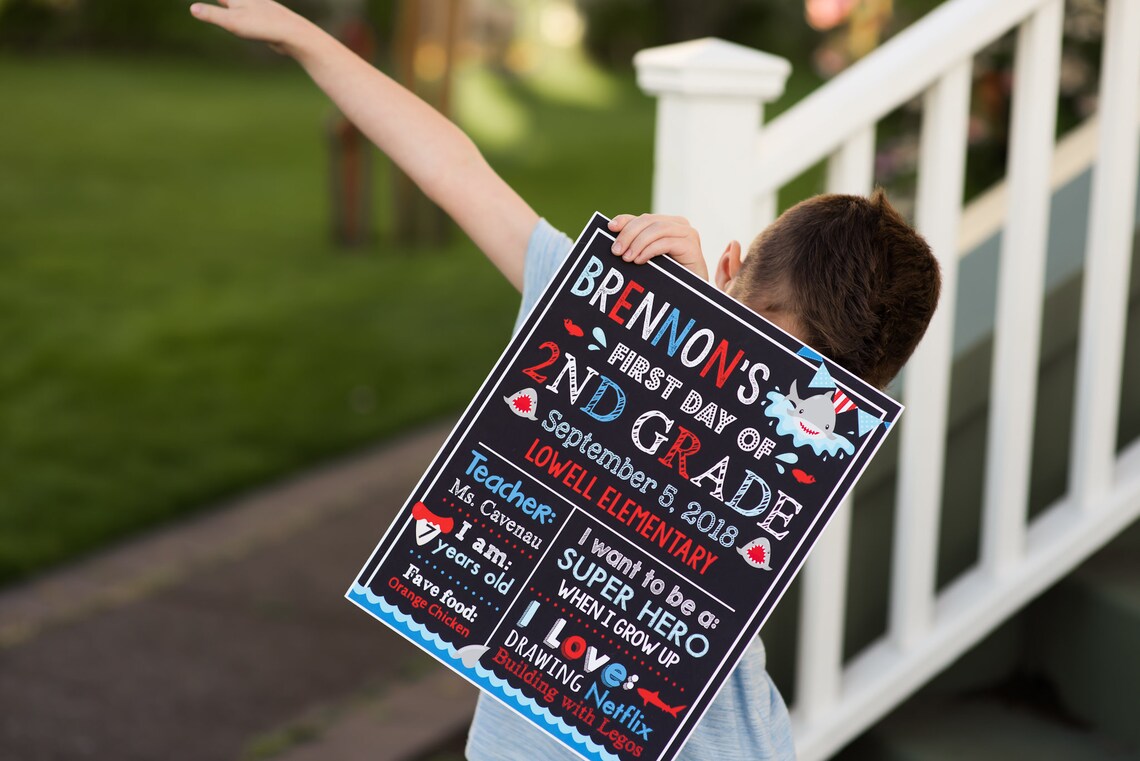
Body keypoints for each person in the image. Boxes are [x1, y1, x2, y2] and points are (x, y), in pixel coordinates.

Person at [190, 3, 941, 760]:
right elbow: (453, 170)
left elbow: (456, 171)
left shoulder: (799, 442)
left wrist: (307, 39)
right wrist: (658, 320)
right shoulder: (609, 324)